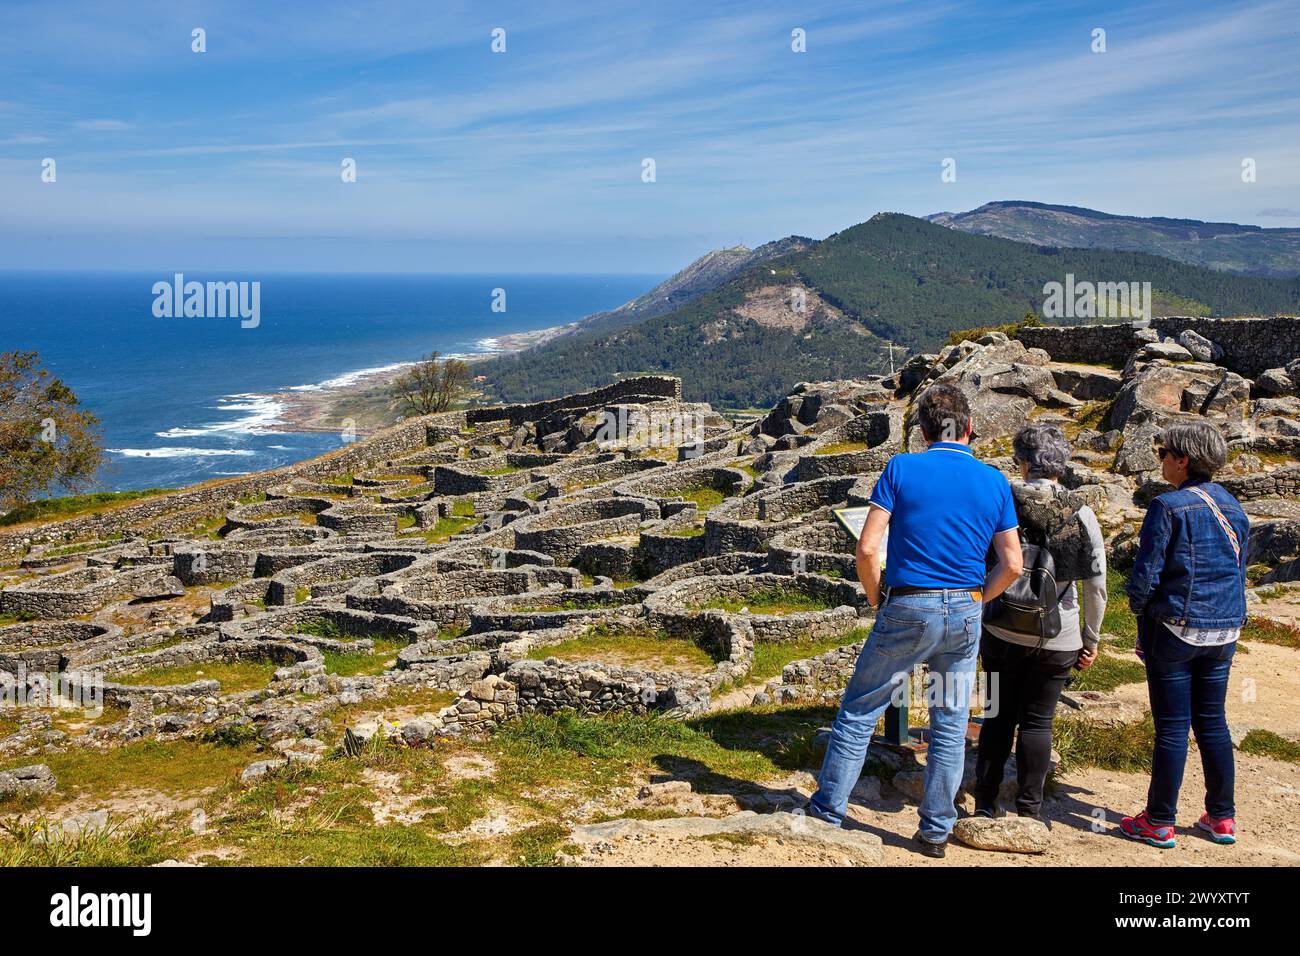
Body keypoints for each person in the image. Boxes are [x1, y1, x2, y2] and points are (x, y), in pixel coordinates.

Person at [807, 383, 1024, 857]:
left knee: (860, 710)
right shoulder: (994, 481)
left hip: (908, 605)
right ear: (969, 427)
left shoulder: (902, 468)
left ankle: (827, 812)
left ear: (923, 432)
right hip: (965, 613)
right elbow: (1012, 563)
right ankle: (935, 831)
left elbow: (866, 548)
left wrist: (874, 597)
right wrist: (977, 598)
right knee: (949, 722)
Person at [1121, 419, 1248, 849]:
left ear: (1183, 460)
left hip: (1175, 627)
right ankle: (1222, 816)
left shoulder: (1168, 506)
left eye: (1165, 453)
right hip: (1225, 628)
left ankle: (1159, 820)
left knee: (1172, 727)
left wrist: (1140, 614)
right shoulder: (1234, 507)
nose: (1161, 460)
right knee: (1213, 722)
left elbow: (1146, 574)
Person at [971, 424, 1107, 820]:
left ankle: (984, 803)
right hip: (1057, 633)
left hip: (1000, 626)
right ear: (1061, 466)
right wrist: (1091, 638)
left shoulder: (1002, 500)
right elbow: (1097, 585)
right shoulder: (1081, 513)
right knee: (1037, 722)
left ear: (1023, 461)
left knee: (997, 717)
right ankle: (1030, 810)